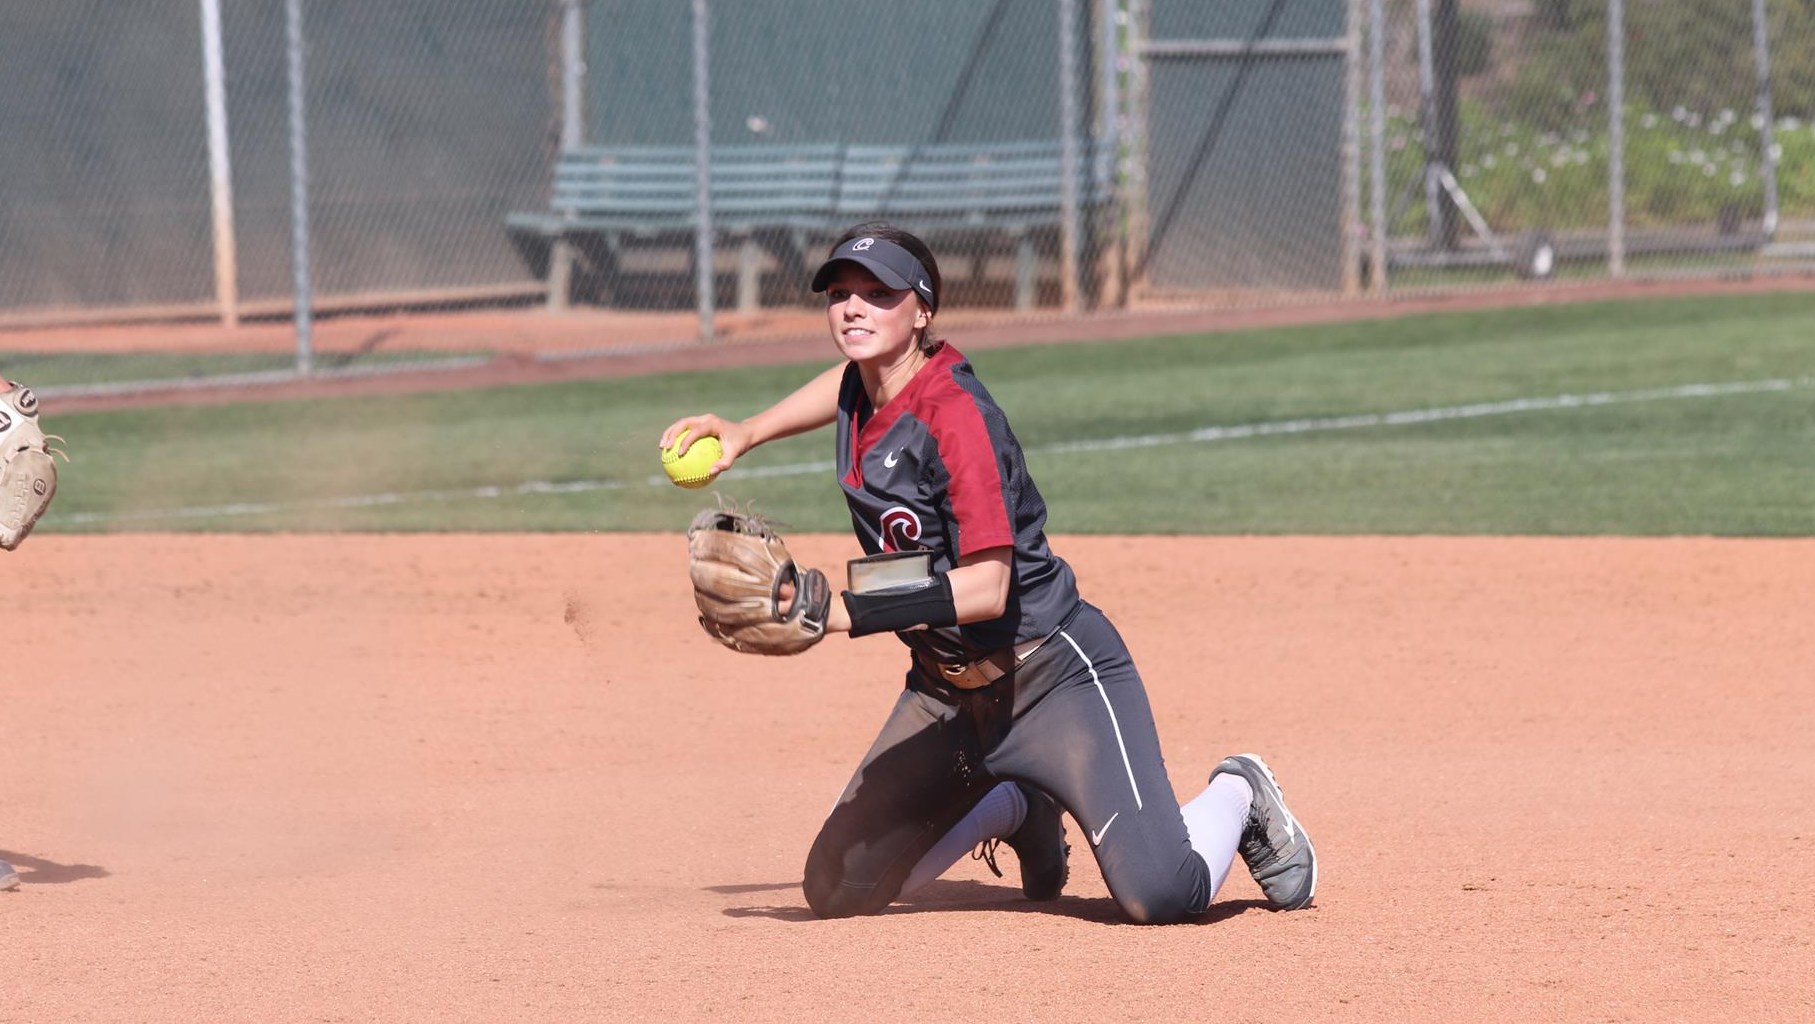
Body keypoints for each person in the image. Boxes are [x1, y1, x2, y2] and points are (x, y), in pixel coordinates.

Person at [659, 223, 1316, 923]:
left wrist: (838, 609)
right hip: (945, 696)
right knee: (838, 889)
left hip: (1049, 677)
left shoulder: (956, 417)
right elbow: (846, 384)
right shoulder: (868, 386)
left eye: (878, 293)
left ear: (922, 310)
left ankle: (1238, 795)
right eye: (841, 294)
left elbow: (986, 588)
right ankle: (1014, 803)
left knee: (1160, 892)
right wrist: (746, 431)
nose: (853, 308)